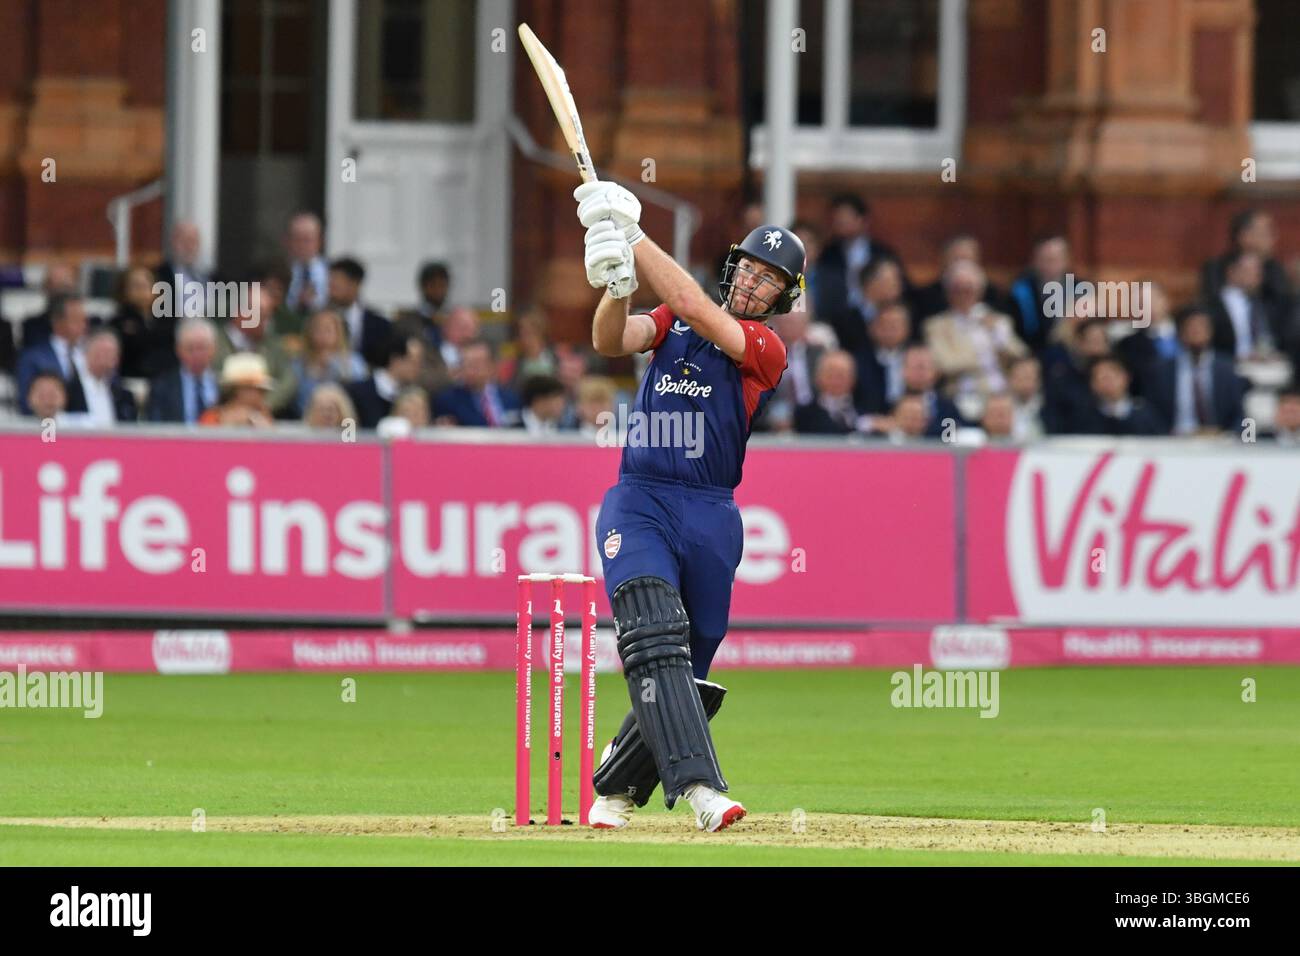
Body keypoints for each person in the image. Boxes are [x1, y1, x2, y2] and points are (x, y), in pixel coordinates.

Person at [576, 178, 806, 832]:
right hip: (640, 500)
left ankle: (614, 788)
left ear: (782, 298)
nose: (755, 285)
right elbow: (611, 341)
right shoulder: (674, 322)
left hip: (710, 513)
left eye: (771, 281)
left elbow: (698, 308)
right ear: (735, 268)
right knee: (652, 635)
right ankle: (702, 788)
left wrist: (634, 233)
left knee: (689, 663)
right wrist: (617, 285)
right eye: (750, 271)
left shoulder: (764, 349)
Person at [1147, 305, 1246, 436]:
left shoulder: (1226, 369)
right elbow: (1153, 415)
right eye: (1191, 328)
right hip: (1174, 443)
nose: (1197, 332)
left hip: (1219, 443)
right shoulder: (1162, 371)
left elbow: (1239, 415)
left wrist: (1226, 435)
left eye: (1201, 327)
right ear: (1180, 333)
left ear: (1211, 331)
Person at [16, 294, 89, 415]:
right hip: (45, 428)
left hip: (88, 429)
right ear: (57, 322)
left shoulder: (90, 354)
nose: (84, 325)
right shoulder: (32, 357)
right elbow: (25, 401)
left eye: (84, 320)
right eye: (76, 319)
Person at [292, 308, 367, 414]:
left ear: (338, 333)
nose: (323, 335)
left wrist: (333, 366)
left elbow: (360, 393)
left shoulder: (354, 362)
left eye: (328, 330)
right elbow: (296, 397)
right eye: (318, 330)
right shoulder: (299, 363)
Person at [147, 317, 221, 424]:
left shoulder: (224, 386)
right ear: (178, 350)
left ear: (213, 348)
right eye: (190, 348)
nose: (197, 355)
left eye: (201, 348)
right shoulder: (162, 387)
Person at [110, 265, 175, 379]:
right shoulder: (118, 322)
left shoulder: (168, 320)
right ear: (125, 290)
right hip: (130, 381)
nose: (142, 290)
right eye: (136, 286)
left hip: (163, 382)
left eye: (146, 285)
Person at [199, 353, 275, 428]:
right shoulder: (211, 417)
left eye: (262, 390)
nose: (261, 395)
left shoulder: (264, 416)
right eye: (257, 390)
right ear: (237, 391)